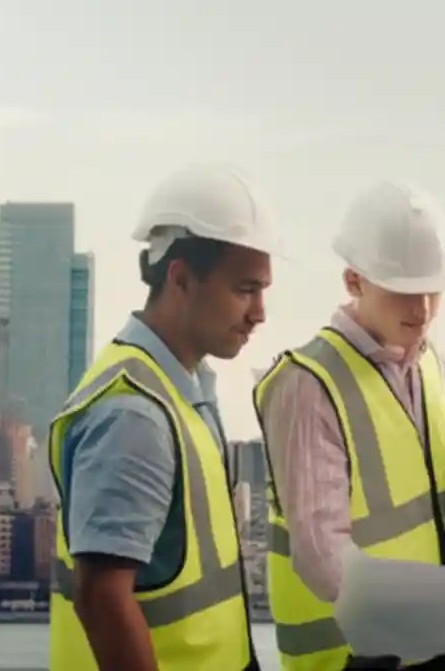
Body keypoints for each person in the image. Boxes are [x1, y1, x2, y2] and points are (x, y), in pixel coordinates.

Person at [47, 164, 278, 671]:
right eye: (245, 289)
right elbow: (102, 598)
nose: (260, 312)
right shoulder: (135, 413)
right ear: (181, 280)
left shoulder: (187, 390)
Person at [254, 180, 445, 671]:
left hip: (432, 649)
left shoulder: (431, 365)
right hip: (353, 658)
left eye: (433, 289)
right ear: (354, 281)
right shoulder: (308, 385)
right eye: (404, 291)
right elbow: (321, 557)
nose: (423, 309)